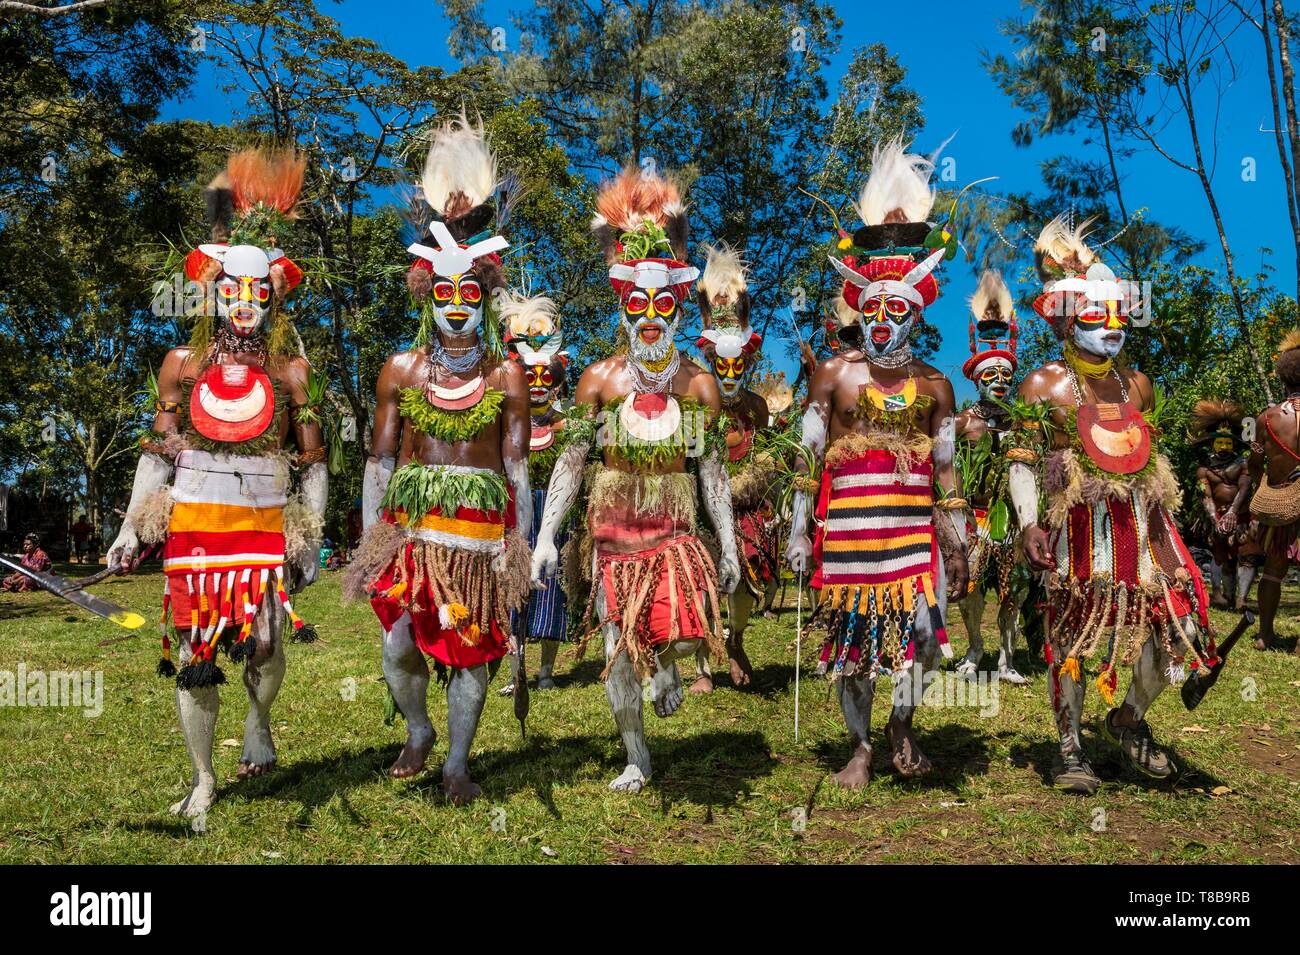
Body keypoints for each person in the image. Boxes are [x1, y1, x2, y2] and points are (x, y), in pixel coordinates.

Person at [106, 149, 329, 817]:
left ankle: (259, 722)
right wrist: (127, 525)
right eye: (232, 290)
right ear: (213, 291)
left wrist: (308, 537)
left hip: (261, 528)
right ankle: (203, 776)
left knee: (265, 644)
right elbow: (158, 453)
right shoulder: (181, 363)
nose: (244, 303)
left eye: (257, 291)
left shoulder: (294, 371)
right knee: (194, 652)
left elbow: (312, 463)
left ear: (274, 294)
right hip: (198, 529)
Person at [530, 165, 739, 793]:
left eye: (663, 304)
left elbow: (713, 472)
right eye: (637, 305)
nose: (650, 317)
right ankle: (635, 755)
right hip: (612, 538)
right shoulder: (599, 381)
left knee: (682, 632)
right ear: (623, 304)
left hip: (674, 535)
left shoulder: (699, 384)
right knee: (618, 649)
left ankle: (670, 669)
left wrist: (727, 542)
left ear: (677, 305)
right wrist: (546, 536)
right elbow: (569, 462)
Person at [345, 116, 531, 804]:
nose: (457, 308)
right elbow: (379, 461)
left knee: (476, 652)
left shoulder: (508, 375)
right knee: (399, 646)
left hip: (479, 539)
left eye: (470, 295)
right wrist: (372, 543)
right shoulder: (400, 369)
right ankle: (418, 726)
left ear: (485, 296)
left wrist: (526, 549)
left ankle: (456, 762)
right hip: (415, 534)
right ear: (430, 293)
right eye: (446, 294)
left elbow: (516, 472)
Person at [785, 138, 970, 787]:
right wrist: (796, 529)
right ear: (857, 308)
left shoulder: (938, 385)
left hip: (915, 537)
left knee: (922, 638)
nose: (885, 319)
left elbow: (945, 468)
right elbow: (810, 455)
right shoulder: (833, 376)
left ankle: (902, 722)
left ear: (916, 311)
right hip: (851, 535)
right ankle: (861, 747)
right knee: (855, 649)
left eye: (898, 308)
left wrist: (961, 530)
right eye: (874, 308)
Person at [1007, 214, 1210, 795]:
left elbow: (1147, 456)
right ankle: (1070, 748)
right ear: (1069, 321)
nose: (1113, 327)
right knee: (1070, 636)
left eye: (1119, 315)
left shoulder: (1139, 385)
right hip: (1074, 527)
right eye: (1097, 316)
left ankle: (1129, 718)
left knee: (1181, 625)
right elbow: (1022, 461)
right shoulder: (1044, 387)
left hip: (1141, 526)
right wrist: (1028, 524)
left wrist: (1164, 527)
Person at [691, 243, 774, 692]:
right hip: (704, 503)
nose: (728, 371)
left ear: (748, 360)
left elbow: (766, 451)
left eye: (736, 363)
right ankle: (705, 664)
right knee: (703, 578)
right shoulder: (697, 401)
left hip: (747, 507)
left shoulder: (757, 407)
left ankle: (736, 640)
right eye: (720, 363)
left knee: (743, 582)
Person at [954, 270, 1029, 685]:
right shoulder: (964, 422)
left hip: (1012, 520)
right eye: (990, 376)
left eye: (1005, 376)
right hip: (975, 518)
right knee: (971, 590)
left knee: (1013, 589)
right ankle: (974, 648)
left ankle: (1007, 658)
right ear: (977, 379)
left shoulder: (1023, 423)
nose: (999, 382)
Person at [501, 290, 573, 690]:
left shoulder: (567, 422)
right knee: (514, 590)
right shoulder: (508, 420)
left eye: (548, 377)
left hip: (553, 516)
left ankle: (546, 670)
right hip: (515, 512)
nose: (540, 384)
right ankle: (517, 669)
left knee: (552, 590)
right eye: (531, 377)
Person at [1246, 330, 1300, 653]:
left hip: (1279, 503)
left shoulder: (1264, 418)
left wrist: (1261, 485)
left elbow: (1253, 462)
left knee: (1273, 570)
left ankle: (1265, 635)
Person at [1190, 401, 1252, 610]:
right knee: (1219, 555)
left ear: (1234, 444)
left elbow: (1244, 489)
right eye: (1220, 443)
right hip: (1216, 516)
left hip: (1241, 516)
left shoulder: (1243, 464)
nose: (1224, 447)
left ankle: (1241, 599)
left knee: (1246, 555)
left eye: (1228, 443)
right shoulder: (1204, 469)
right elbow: (1205, 495)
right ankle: (1219, 594)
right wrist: (1215, 519)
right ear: (1212, 444)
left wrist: (1233, 512)